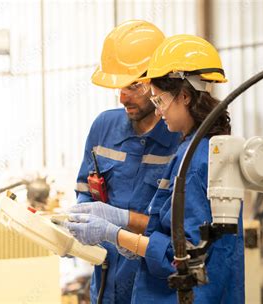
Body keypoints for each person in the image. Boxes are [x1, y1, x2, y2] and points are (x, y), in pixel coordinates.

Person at [65, 34, 245, 303]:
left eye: (159, 100)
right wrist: (112, 225)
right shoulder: (194, 150)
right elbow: (171, 230)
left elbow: (180, 255)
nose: (159, 111)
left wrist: (117, 233)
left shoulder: (194, 159)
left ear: (184, 96)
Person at [74, 20, 180, 303]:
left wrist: (121, 227)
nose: (122, 97)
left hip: (156, 290)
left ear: (159, 81)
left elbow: (179, 234)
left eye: (133, 86)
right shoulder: (103, 128)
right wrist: (77, 229)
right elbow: (86, 193)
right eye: (119, 86)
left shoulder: (181, 141)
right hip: (106, 288)